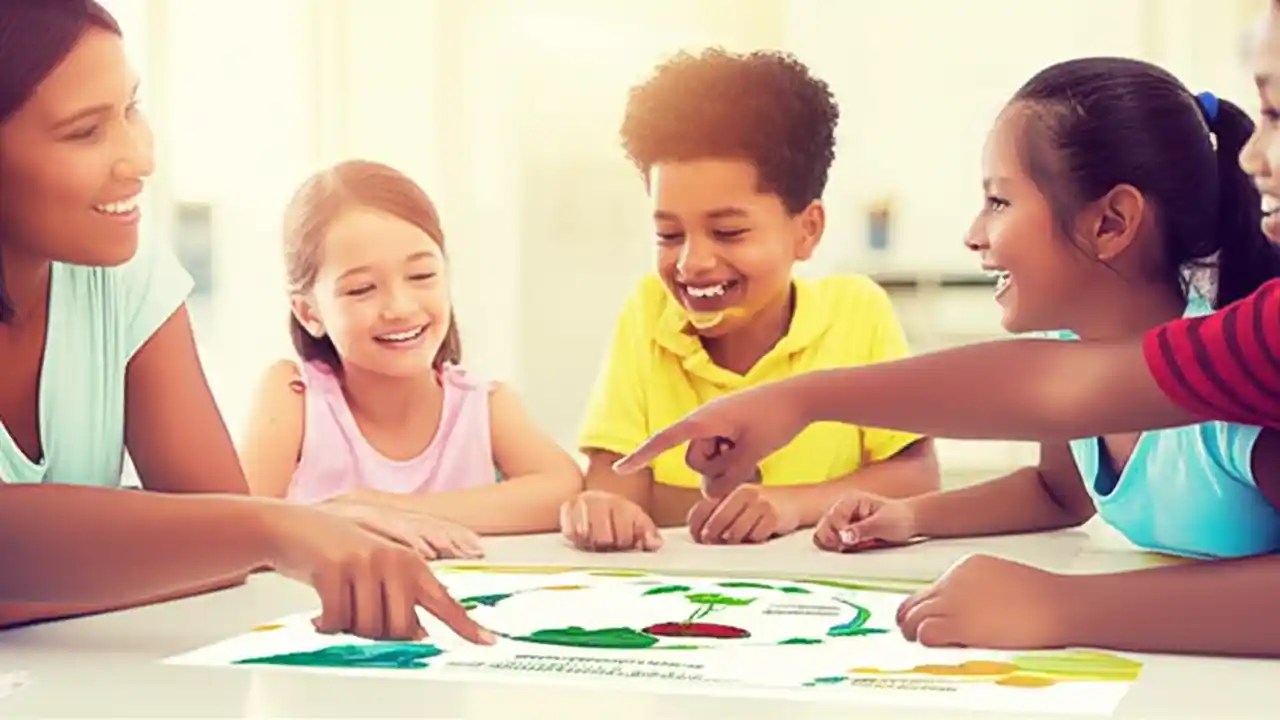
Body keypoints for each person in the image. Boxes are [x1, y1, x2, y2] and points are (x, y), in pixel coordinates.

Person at [617, 42, 1280, 656]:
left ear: (1110, 222)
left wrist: (1061, 607)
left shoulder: (1240, 396)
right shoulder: (1069, 356)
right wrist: (912, 514)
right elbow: (1058, 491)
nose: (973, 234)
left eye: (997, 201)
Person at [0, 0, 490, 644]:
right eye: (85, 132)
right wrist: (268, 529)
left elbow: (220, 546)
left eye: (132, 111)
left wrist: (249, 534)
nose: (140, 157)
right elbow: (231, 536)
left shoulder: (125, 276)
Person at [560, 48, 939, 553]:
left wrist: (790, 503)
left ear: (807, 230)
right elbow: (617, 479)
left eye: (728, 231)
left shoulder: (855, 310)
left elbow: (916, 474)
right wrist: (606, 509)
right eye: (669, 235)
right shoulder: (649, 309)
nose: (692, 262)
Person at [240, 160, 583, 543]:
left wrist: (378, 509)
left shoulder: (484, 405)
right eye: (361, 289)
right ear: (308, 312)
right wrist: (336, 520)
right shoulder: (294, 396)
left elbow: (562, 489)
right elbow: (240, 523)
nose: (400, 307)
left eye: (421, 276)